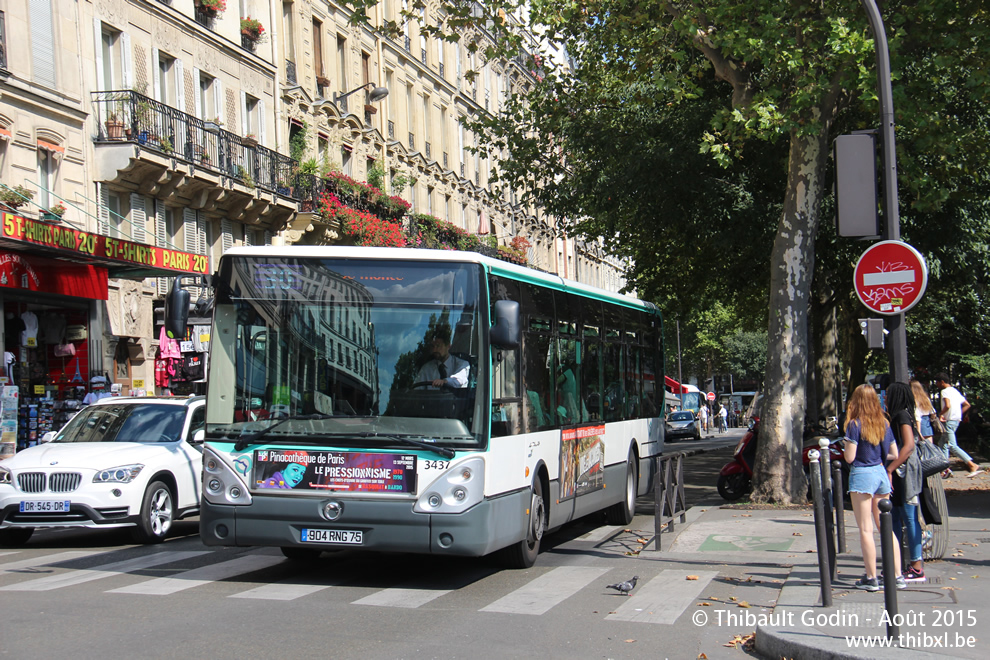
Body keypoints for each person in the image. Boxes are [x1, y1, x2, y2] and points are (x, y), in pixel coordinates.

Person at [843, 384, 904, 591]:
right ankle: (897, 574)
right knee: (885, 527)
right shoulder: (884, 424)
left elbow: (850, 457)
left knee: (865, 529)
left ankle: (871, 577)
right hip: (880, 473)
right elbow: (894, 454)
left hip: (862, 475)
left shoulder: (854, 424)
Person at [887, 382, 925, 583]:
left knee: (909, 517)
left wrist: (890, 468)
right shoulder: (903, 414)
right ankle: (898, 565)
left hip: (905, 471)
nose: (885, 398)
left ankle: (916, 566)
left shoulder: (901, 415)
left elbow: (908, 445)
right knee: (896, 515)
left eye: (888, 395)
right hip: (902, 469)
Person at [934, 372, 979, 477]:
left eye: (937, 382)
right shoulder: (955, 391)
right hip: (956, 420)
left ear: (942, 382)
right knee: (943, 444)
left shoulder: (945, 391)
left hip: (949, 421)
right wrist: (958, 414)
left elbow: (947, 405)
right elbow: (966, 405)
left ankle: (972, 465)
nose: (937, 385)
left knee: (952, 445)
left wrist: (940, 414)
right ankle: (945, 469)